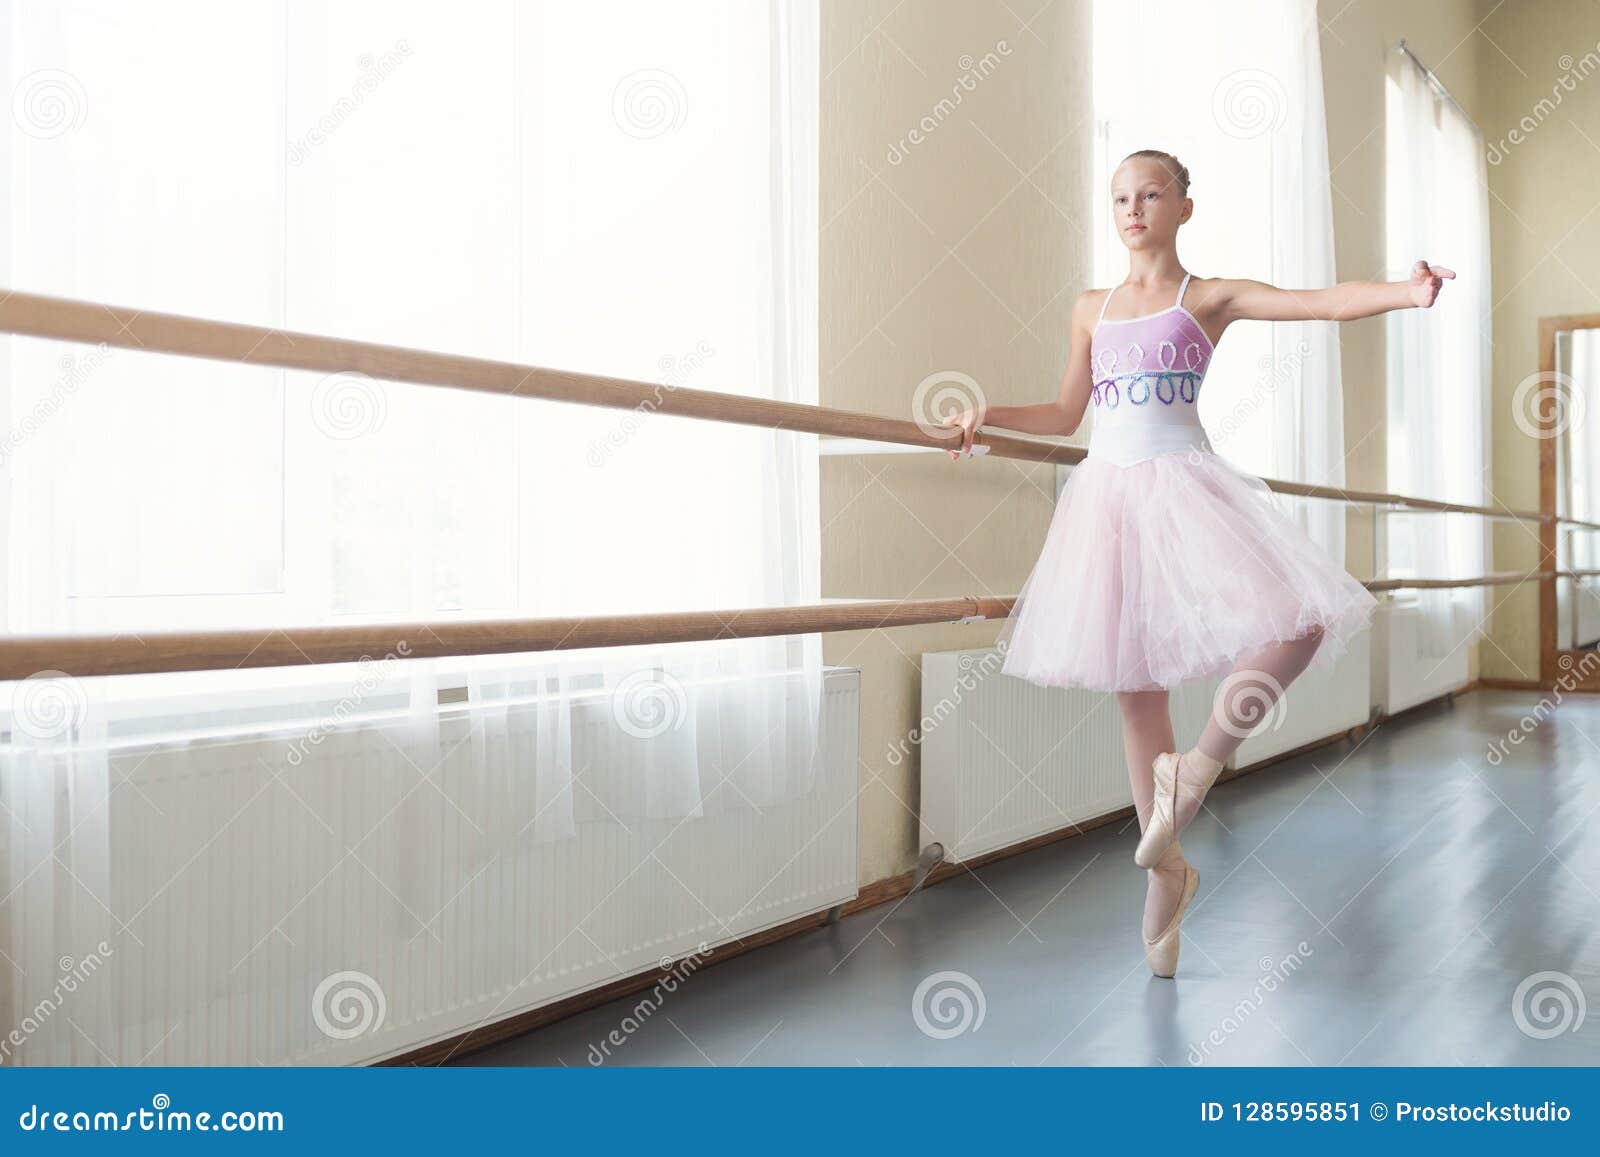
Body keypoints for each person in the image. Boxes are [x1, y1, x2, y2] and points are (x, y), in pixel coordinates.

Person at [941, 149, 1452, 978]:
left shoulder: (1206, 298)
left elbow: (1319, 304)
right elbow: (1068, 410)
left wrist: (1407, 290)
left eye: (1151, 194)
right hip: (1106, 498)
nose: (1133, 208)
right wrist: (987, 418)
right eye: (1120, 198)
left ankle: (1200, 765)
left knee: (1301, 618)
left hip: (1184, 483)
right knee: (1135, 693)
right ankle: (1167, 871)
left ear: (1183, 206)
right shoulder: (1090, 308)